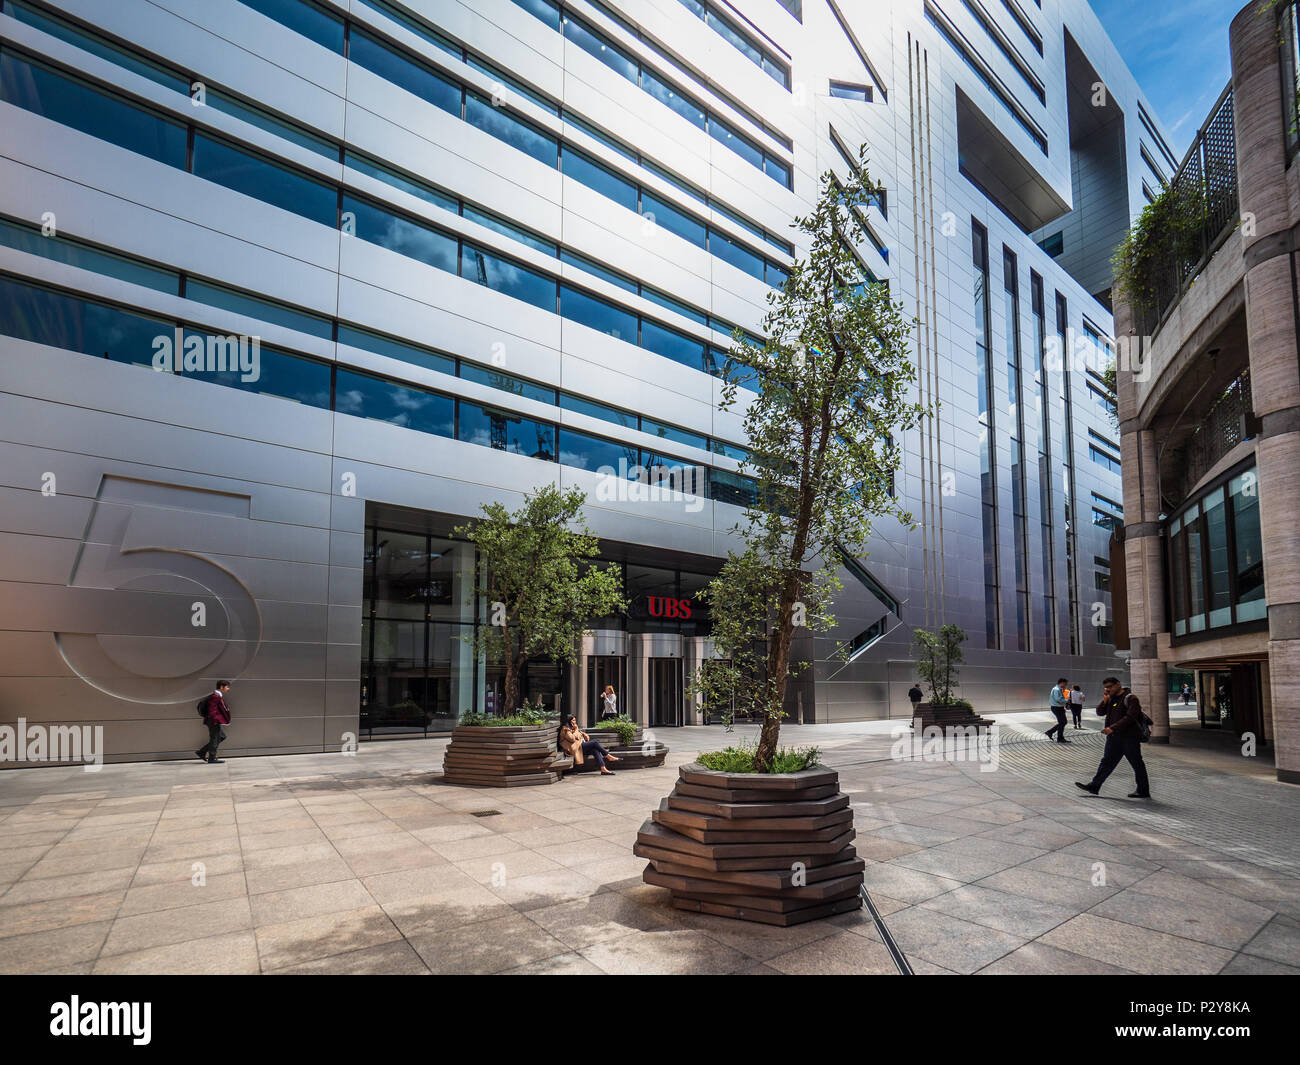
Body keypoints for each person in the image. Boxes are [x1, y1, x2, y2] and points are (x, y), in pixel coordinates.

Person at [1076, 677, 1151, 799]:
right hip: (1114, 738)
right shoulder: (1111, 698)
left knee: (1137, 764)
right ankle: (1094, 786)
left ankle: (1143, 790)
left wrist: (1113, 728)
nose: (1108, 689)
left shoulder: (1131, 698)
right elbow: (1100, 712)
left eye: (1110, 686)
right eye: (1106, 687)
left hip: (1129, 738)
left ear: (1118, 684)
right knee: (1106, 762)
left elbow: (1130, 717)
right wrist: (1105, 701)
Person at [196, 681, 232, 764]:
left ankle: (202, 752)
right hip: (213, 721)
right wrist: (215, 720)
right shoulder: (215, 696)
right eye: (227, 687)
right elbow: (212, 710)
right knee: (215, 738)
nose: (228, 689)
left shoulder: (217, 695)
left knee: (221, 736)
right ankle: (212, 758)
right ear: (221, 687)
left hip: (214, 721)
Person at [1046, 678, 1070, 743]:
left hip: (1058, 708)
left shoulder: (1058, 689)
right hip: (1057, 708)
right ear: (1061, 683)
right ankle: (1058, 737)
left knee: (1062, 722)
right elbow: (1058, 699)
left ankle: (1053, 733)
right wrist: (1067, 700)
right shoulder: (1057, 689)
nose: (1066, 685)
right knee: (1063, 722)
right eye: (1065, 684)